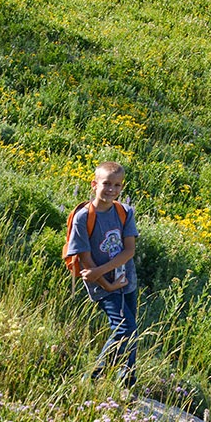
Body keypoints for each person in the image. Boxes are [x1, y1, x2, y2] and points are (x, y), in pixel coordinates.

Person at [65, 160, 139, 386]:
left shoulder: (124, 211)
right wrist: (106, 282)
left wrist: (107, 274)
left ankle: (126, 380)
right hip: (100, 283)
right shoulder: (83, 217)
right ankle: (92, 378)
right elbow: (84, 257)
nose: (112, 190)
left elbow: (129, 250)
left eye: (117, 186)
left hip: (125, 279)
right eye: (107, 184)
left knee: (130, 330)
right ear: (94, 184)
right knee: (125, 328)